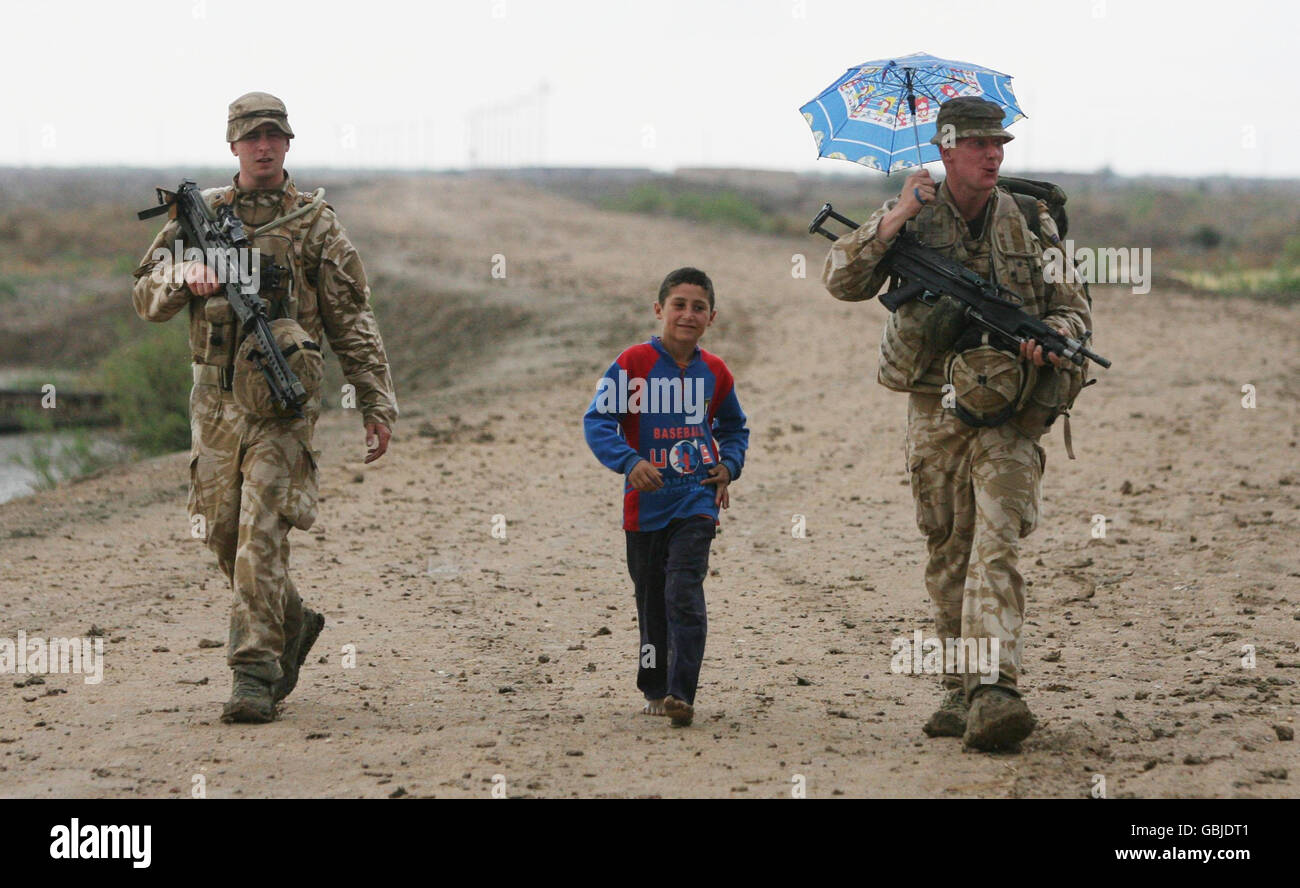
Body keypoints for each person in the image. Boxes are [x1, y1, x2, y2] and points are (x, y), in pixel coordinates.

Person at [821, 96, 1093, 751]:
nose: (993, 155)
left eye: (999, 144)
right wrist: (895, 219)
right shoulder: (911, 213)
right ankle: (958, 686)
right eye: (978, 145)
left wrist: (1052, 335)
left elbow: (1073, 307)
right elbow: (841, 279)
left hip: (1010, 407)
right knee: (949, 551)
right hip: (935, 407)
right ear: (945, 150)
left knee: (997, 544)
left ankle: (996, 689)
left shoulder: (1031, 217)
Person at [132, 92, 399, 724]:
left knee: (260, 535)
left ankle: (254, 673)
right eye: (252, 137)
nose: (263, 146)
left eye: (274, 136)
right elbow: (145, 297)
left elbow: (351, 318)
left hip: (283, 404)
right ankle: (295, 620)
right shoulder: (196, 220)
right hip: (215, 405)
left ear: (287, 144)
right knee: (224, 534)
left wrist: (374, 401)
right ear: (232, 145)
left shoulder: (314, 225)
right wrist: (184, 277)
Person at [583, 268, 749, 727]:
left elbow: (734, 427)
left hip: (695, 500)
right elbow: (597, 420)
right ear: (660, 310)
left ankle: (682, 691)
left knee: (683, 590)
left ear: (711, 317)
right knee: (652, 600)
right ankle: (654, 685)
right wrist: (629, 462)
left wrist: (728, 466)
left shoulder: (715, 372)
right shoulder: (633, 364)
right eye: (679, 304)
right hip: (644, 509)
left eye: (698, 307)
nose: (688, 315)